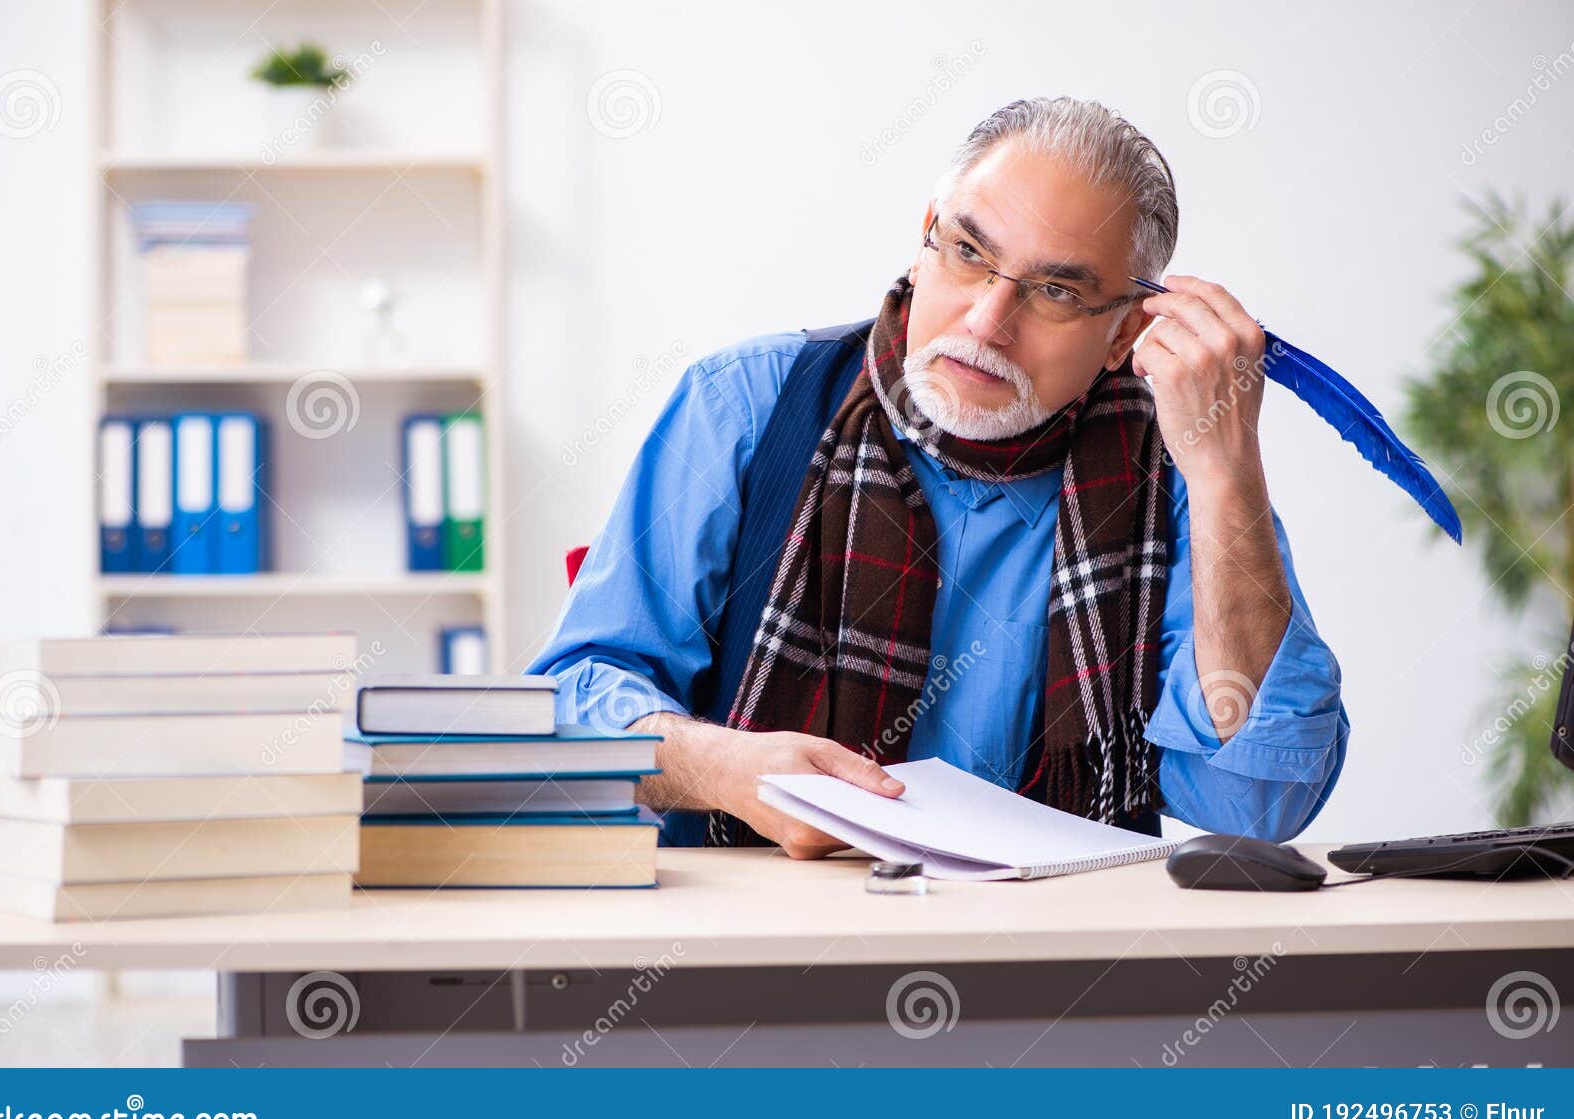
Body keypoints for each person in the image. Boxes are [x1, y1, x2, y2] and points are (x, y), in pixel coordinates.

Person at [528, 97, 1348, 856]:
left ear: (1123, 330)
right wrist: (723, 769)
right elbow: (572, 700)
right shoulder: (743, 405)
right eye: (968, 254)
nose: (988, 323)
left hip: (1065, 971)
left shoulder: (1181, 470)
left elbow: (1260, 799)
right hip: (744, 958)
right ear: (925, 240)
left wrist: (1227, 466)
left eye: (1057, 290)